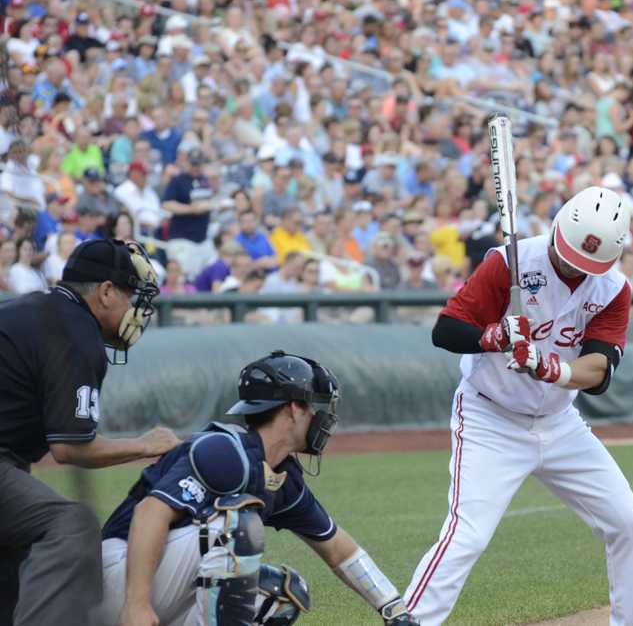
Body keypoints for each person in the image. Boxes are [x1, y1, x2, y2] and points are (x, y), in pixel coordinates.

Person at [408, 186, 633, 625]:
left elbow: (598, 371)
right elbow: (445, 330)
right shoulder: (509, 262)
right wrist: (492, 337)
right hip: (490, 417)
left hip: (560, 423)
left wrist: (550, 367)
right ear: (557, 229)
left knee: (629, 522)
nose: (572, 268)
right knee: (468, 536)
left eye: (584, 265)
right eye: (568, 256)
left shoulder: (613, 288)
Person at [97, 351, 418, 626]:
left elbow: (339, 550)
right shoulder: (223, 449)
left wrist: (394, 610)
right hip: (119, 574)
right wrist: (136, 604)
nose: (324, 417)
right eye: (316, 405)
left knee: (279, 594)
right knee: (238, 526)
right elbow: (149, 513)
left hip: (163, 578)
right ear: (294, 408)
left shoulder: (282, 476)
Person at [0, 239, 179, 626]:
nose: (136, 309)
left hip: (8, 462)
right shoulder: (77, 331)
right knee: (71, 523)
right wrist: (145, 444)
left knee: (14, 552)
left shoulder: (35, 308)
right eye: (132, 296)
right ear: (106, 291)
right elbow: (69, 448)